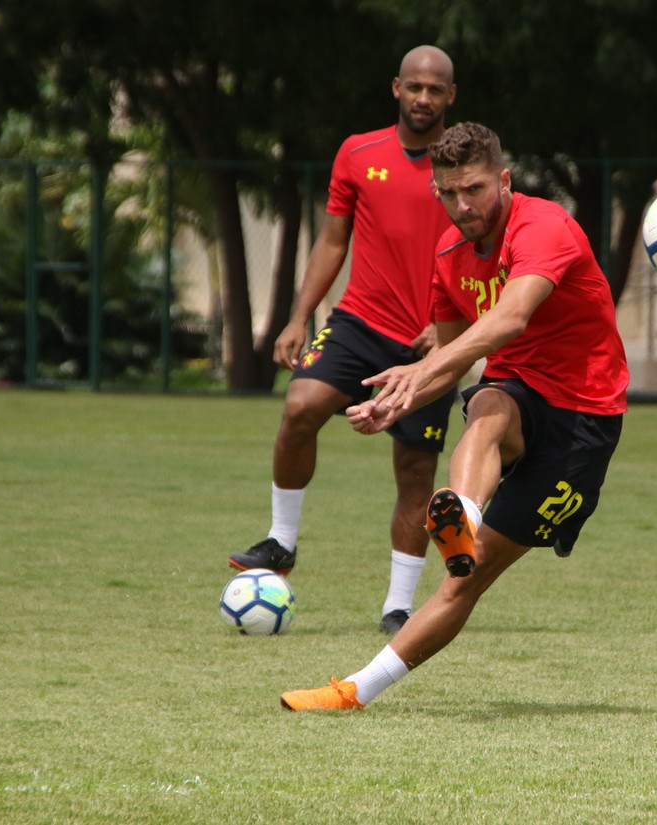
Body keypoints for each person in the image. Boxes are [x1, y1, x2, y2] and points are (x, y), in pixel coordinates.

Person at [280, 121, 629, 711]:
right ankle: (355, 688)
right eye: (448, 192)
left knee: (468, 580)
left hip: (583, 419)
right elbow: (448, 366)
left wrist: (423, 369)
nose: (462, 206)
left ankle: (459, 532)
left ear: (504, 180)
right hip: (516, 392)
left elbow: (511, 318)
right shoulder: (448, 255)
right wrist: (394, 401)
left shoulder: (545, 227)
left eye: (473, 189)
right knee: (489, 401)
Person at [227, 45, 458, 636]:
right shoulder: (359, 152)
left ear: (450, 97)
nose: (423, 98)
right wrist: (298, 315)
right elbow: (333, 240)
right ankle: (281, 542)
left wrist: (453, 324)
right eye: (414, 87)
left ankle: (399, 607)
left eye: (435, 90)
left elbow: (488, 251)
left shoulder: (463, 163)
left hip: (429, 345)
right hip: (358, 322)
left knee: (413, 473)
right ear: (396, 89)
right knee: (300, 406)